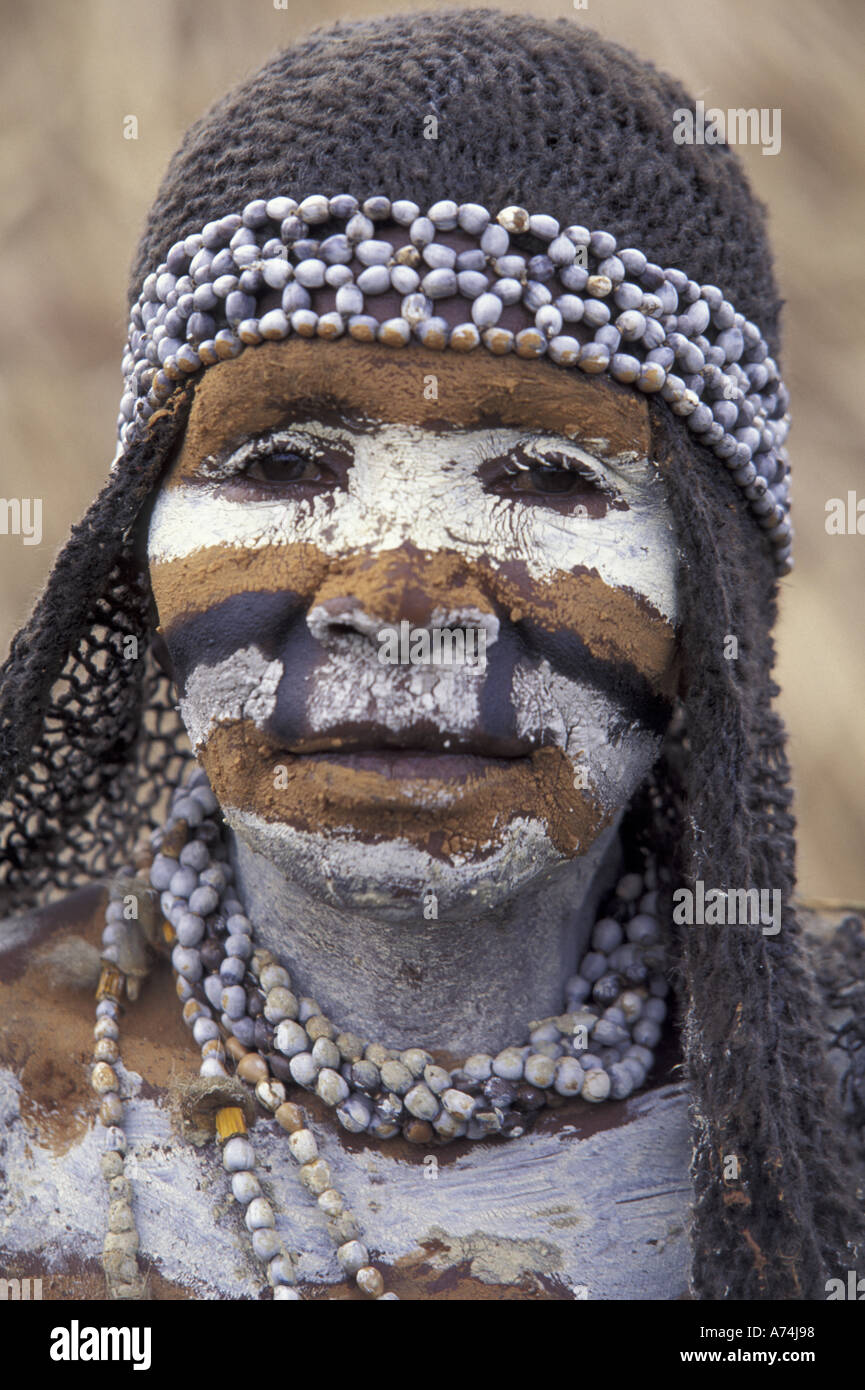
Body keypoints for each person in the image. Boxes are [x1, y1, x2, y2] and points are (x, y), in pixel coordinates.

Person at [0, 9, 862, 1301]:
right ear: (131, 553)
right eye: (281, 464)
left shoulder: (829, 1085)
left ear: (708, 589)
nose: (398, 596)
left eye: (547, 476)